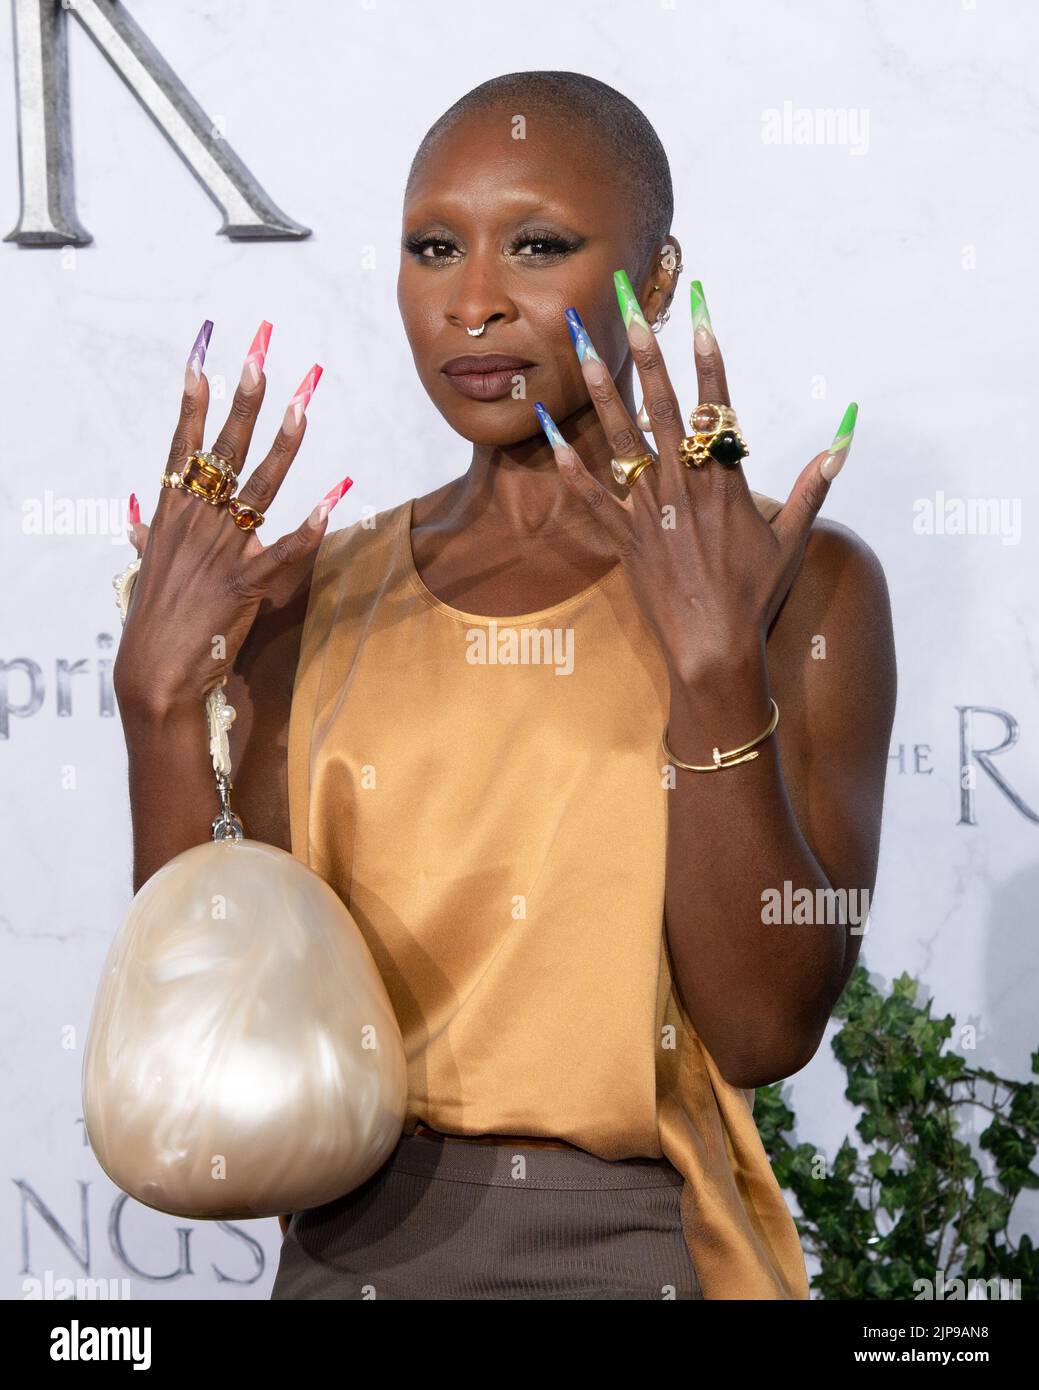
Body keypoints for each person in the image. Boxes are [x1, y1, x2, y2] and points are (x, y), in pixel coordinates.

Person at [115, 71, 896, 1301]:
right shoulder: (316, 591)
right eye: (434, 249)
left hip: (645, 1252)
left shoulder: (800, 581)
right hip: (346, 1256)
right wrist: (159, 710)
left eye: (537, 246)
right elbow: (210, 1036)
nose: (472, 304)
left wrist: (708, 669)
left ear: (658, 263)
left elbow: (761, 1029)